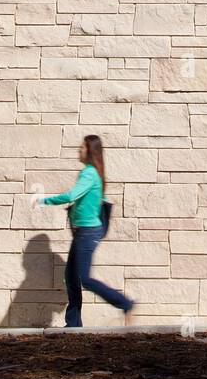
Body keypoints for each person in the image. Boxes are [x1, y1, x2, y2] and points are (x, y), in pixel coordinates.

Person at [39, 134, 135, 328]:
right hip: (84, 232)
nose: (79, 150)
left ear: (90, 151)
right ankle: (73, 324)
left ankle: (125, 303)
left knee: (84, 278)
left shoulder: (89, 173)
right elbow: (87, 202)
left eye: (82, 147)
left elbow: (72, 195)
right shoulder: (93, 173)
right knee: (71, 276)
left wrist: (42, 200)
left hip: (88, 232)